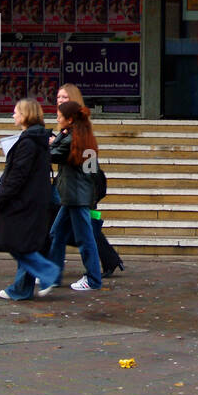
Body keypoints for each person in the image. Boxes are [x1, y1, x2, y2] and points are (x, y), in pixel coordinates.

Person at [0, 99, 61, 300]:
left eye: (16, 112)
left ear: (25, 115)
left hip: (22, 201)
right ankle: (23, 288)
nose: (13, 115)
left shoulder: (28, 142)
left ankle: (47, 272)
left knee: (13, 241)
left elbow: (18, 174)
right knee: (24, 242)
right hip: (34, 200)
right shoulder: (37, 139)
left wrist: (0, 198)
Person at [55, 84, 124, 277]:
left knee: (81, 230)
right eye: (59, 97)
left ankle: (99, 267)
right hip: (68, 185)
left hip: (79, 188)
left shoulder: (81, 130)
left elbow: (90, 163)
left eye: (65, 98)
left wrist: (89, 191)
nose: (60, 101)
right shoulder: (65, 128)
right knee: (63, 230)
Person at [46, 99, 104, 291]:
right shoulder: (83, 137)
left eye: (59, 116)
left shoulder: (71, 139)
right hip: (76, 195)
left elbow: (53, 155)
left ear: (69, 119)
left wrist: (51, 142)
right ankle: (53, 276)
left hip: (75, 196)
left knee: (85, 238)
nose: (56, 119)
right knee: (57, 234)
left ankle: (93, 279)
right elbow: (91, 170)